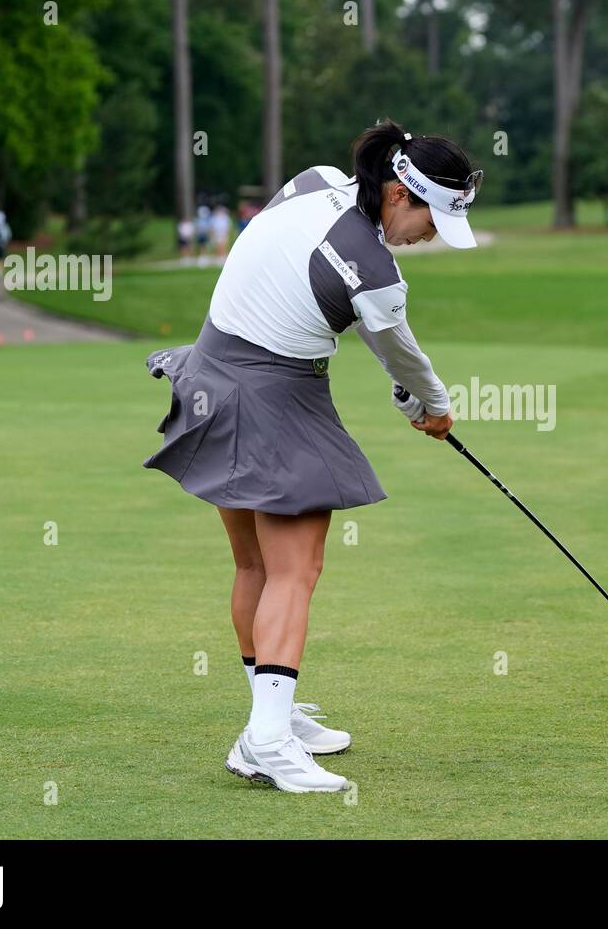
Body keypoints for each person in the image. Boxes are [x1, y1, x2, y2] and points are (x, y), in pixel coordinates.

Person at [142, 118, 481, 793]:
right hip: (269, 397)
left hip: (210, 370)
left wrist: (404, 386)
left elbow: (301, 274)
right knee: (296, 569)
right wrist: (433, 408)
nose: (431, 238)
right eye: (432, 221)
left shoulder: (317, 182)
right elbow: (401, 352)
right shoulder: (378, 272)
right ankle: (266, 739)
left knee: (255, 564)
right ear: (397, 196)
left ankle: (272, 721)